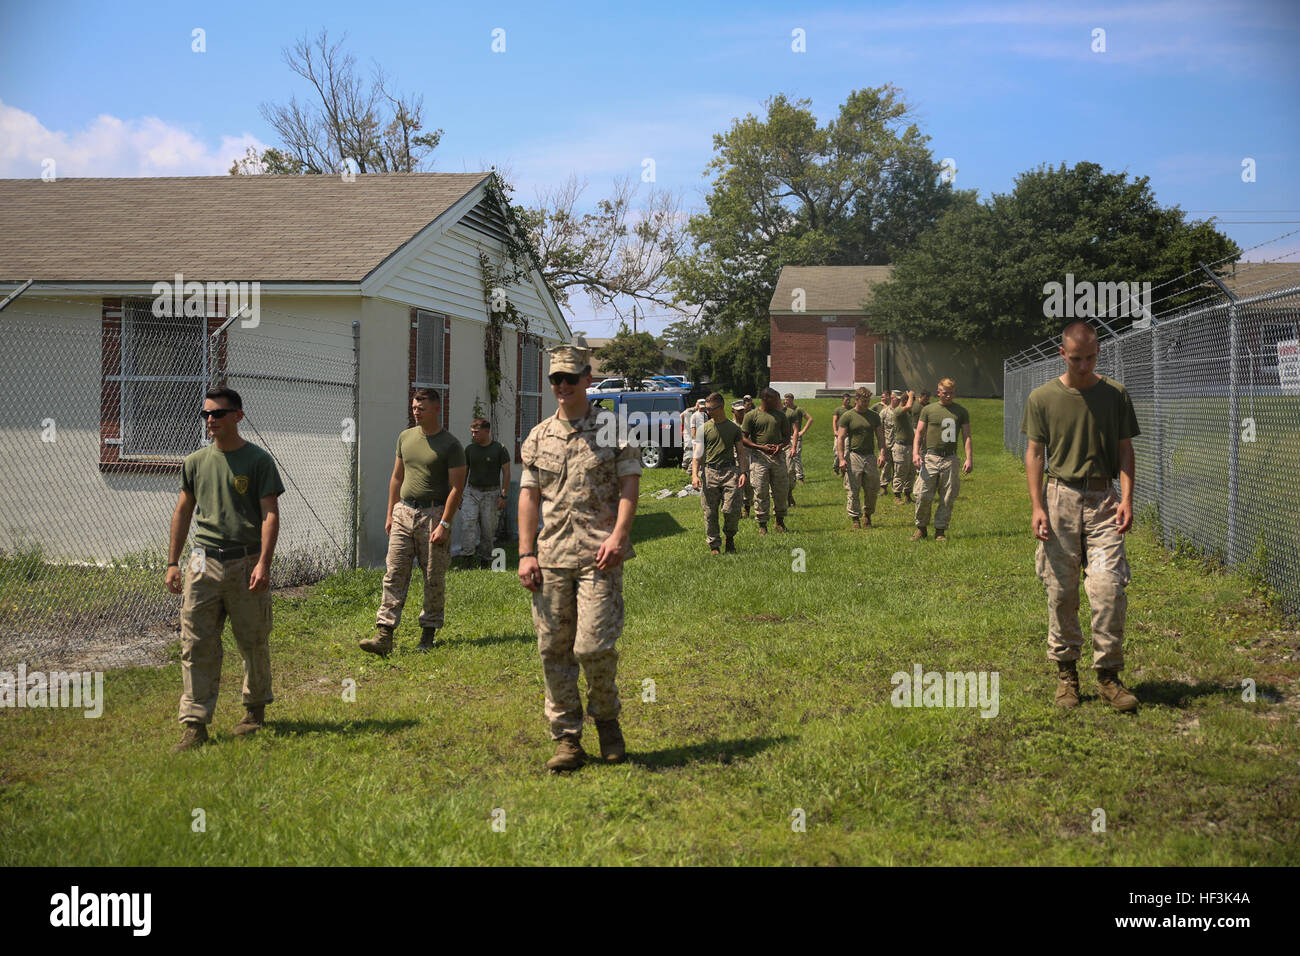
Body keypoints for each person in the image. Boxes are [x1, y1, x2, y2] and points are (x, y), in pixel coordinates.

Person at [518, 339, 641, 773]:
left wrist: (619, 537)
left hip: (598, 556)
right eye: (556, 379)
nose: (563, 385)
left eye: (571, 378)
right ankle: (567, 739)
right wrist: (525, 552)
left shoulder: (612, 429)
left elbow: (630, 488)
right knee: (553, 648)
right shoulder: (538, 436)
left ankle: (607, 721)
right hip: (550, 558)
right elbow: (529, 496)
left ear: (588, 379)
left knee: (592, 646)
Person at [1022, 321, 1140, 712]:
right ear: (1062, 354)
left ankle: (1108, 675)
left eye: (1091, 357)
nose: (1085, 366)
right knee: (1062, 590)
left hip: (1104, 501)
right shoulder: (1043, 398)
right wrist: (1038, 506)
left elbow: (1125, 450)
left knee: (1107, 588)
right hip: (1060, 501)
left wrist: (1126, 496)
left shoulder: (1115, 395)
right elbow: (1035, 454)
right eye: (1076, 359)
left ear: (1098, 352)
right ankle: (1066, 674)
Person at [166, 387, 285, 752]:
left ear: (238, 416)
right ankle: (195, 723)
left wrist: (263, 562)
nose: (211, 421)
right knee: (196, 643)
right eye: (206, 415)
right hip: (202, 562)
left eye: (218, 413)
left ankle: (254, 710)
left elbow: (269, 514)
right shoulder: (195, 462)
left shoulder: (258, 461)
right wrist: (173, 562)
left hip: (245, 561)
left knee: (252, 640)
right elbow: (183, 511)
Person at [361, 388, 467, 656]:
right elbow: (396, 478)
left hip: (434, 515)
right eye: (414, 406)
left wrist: (444, 524)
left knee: (433, 577)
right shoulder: (405, 437)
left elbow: (457, 487)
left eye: (421, 407)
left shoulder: (451, 445)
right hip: (404, 513)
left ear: (436, 409)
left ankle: (428, 633)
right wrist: (390, 512)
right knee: (394, 572)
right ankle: (384, 634)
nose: (416, 411)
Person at [911, 378, 971, 542]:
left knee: (947, 496)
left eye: (951, 393)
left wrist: (968, 458)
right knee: (923, 494)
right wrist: (915, 453)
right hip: (930, 457)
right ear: (938, 393)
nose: (948, 396)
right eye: (945, 393)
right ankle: (921, 528)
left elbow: (966, 436)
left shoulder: (961, 411)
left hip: (950, 458)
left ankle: (940, 530)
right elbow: (919, 433)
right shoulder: (929, 410)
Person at [692, 392, 748, 554]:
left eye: (711, 408)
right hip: (710, 471)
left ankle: (729, 538)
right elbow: (697, 455)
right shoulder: (704, 429)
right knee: (710, 511)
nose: (707, 411)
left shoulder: (733, 429)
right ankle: (714, 545)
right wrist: (695, 475)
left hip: (730, 472)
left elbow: (741, 452)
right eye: (706, 408)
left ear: (721, 407)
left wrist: (743, 471)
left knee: (730, 509)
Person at [459, 417, 511, 569]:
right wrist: (459, 495)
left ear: (486, 431)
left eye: (476, 432)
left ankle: (485, 561)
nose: (473, 435)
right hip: (471, 492)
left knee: (488, 530)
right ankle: (467, 561)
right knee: (467, 525)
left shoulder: (499, 449)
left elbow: (506, 473)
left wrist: (503, 495)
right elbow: (464, 473)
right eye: (472, 432)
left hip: (491, 493)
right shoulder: (469, 449)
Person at [741, 388, 793, 535]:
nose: (779, 402)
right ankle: (762, 524)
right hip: (759, 459)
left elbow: (786, 438)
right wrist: (760, 447)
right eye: (776, 399)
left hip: (778, 458)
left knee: (781, 491)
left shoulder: (781, 416)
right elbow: (743, 438)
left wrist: (779, 446)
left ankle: (780, 522)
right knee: (760, 491)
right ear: (767, 399)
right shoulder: (751, 416)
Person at [835, 387, 887, 530]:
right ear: (856, 399)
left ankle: (868, 515)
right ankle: (855, 519)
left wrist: (882, 454)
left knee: (872, 489)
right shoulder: (848, 416)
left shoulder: (874, 416)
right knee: (853, 489)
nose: (866, 403)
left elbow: (880, 437)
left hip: (870, 456)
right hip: (854, 456)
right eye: (864, 400)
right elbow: (840, 438)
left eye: (868, 400)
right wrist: (841, 459)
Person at [781, 393, 813, 507]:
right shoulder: (781, 412)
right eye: (785, 400)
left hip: (794, 437)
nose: (786, 402)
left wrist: (802, 432)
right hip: (782, 441)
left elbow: (810, 419)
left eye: (788, 399)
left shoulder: (798, 410)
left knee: (796, 458)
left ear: (792, 400)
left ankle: (799, 478)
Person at [889, 389, 917, 503]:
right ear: (905, 400)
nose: (912, 403)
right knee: (900, 471)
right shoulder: (898, 411)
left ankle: (907, 494)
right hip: (901, 447)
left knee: (911, 471)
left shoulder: (907, 413)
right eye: (911, 400)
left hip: (910, 446)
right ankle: (897, 495)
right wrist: (911, 395)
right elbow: (909, 406)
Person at [731, 400, 754, 518]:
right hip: (734, 460)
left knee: (748, 485)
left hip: (748, 457)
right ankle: (738, 510)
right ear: (733, 411)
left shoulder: (749, 424)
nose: (741, 413)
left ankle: (747, 508)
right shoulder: (730, 426)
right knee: (735, 485)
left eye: (742, 411)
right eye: (738, 411)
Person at [875, 392, 896, 493]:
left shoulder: (902, 411)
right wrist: (881, 444)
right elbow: (879, 429)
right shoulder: (884, 412)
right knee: (886, 466)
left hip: (898, 444)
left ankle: (897, 489)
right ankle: (883, 486)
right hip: (887, 442)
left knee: (898, 466)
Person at [830, 392, 853, 475]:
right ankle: (835, 469)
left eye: (849, 400)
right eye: (846, 400)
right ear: (842, 400)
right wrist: (835, 431)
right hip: (839, 435)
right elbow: (834, 421)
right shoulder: (838, 410)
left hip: (847, 435)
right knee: (837, 453)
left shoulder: (852, 409)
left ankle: (844, 471)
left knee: (846, 453)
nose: (848, 401)